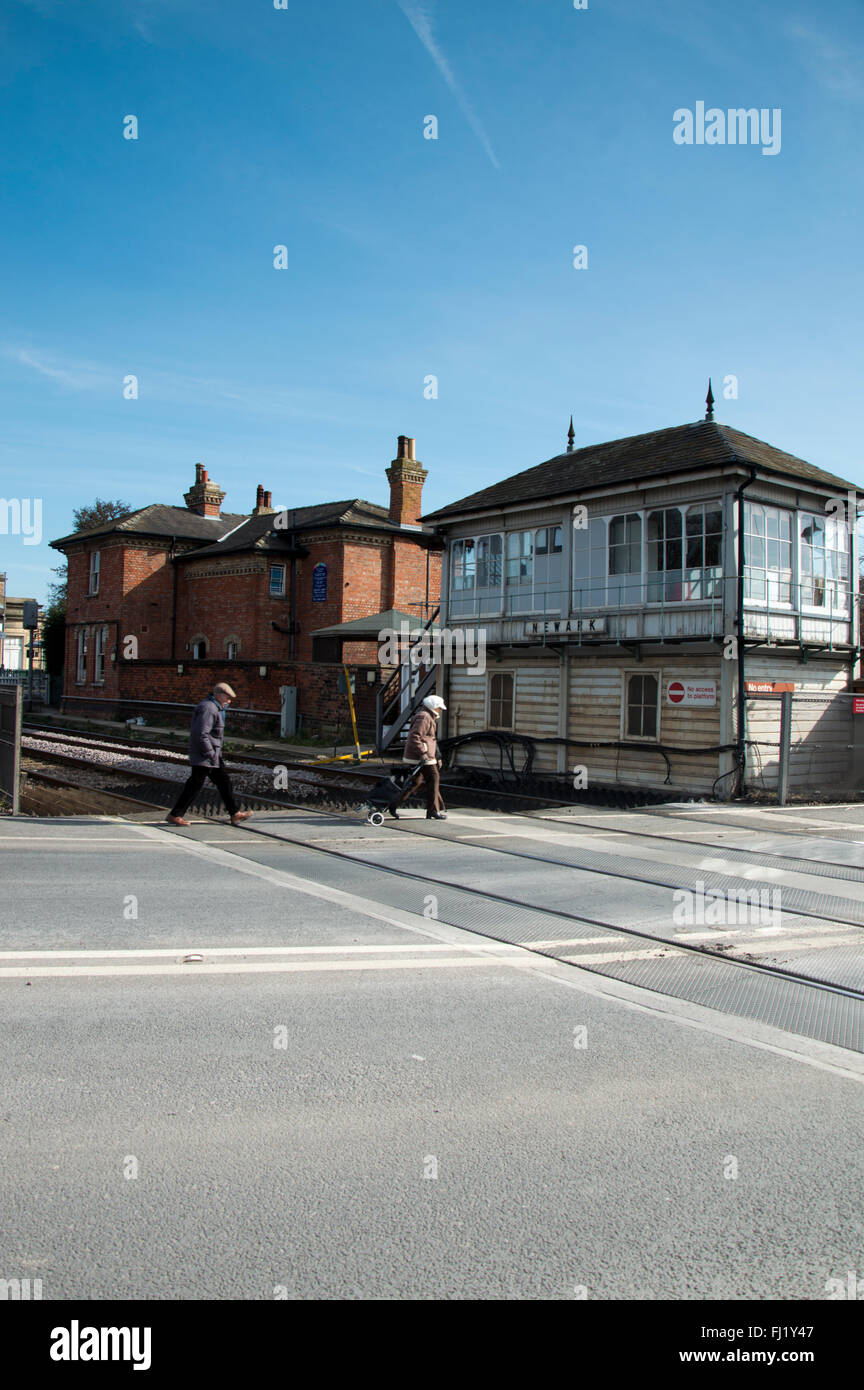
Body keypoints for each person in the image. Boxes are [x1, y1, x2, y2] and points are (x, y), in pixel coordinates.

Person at [166, 682, 253, 827]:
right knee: (195, 784)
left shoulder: (215, 707)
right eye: (227, 697)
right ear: (218, 695)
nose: (229, 701)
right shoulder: (208, 708)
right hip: (205, 755)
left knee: (223, 782)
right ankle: (175, 815)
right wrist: (210, 753)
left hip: (211, 755)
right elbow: (201, 734)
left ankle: (234, 814)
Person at [390, 694, 447, 820]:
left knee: (415, 782)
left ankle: (393, 804)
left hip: (424, 755)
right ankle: (433, 810)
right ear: (434, 707)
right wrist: (423, 754)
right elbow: (415, 737)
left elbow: (431, 739)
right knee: (433, 778)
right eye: (440, 708)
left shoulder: (426, 716)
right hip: (422, 756)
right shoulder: (424, 717)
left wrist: (437, 756)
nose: (441, 710)